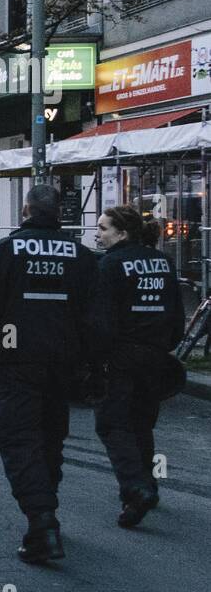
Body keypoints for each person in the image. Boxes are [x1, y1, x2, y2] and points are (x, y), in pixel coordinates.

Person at [0, 184, 94, 564]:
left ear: (25, 211)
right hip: (63, 362)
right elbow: (98, 317)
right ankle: (46, 507)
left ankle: (42, 521)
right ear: (59, 213)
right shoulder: (83, 256)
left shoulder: (4, 250)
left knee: (18, 436)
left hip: (17, 359)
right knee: (51, 436)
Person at [90, 206, 185, 528]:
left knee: (112, 424)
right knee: (142, 422)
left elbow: (101, 322)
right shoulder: (164, 262)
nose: (98, 234)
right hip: (156, 355)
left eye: (103, 228)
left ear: (122, 233)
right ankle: (150, 486)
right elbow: (176, 316)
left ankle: (136, 488)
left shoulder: (110, 265)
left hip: (121, 356)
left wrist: (95, 360)